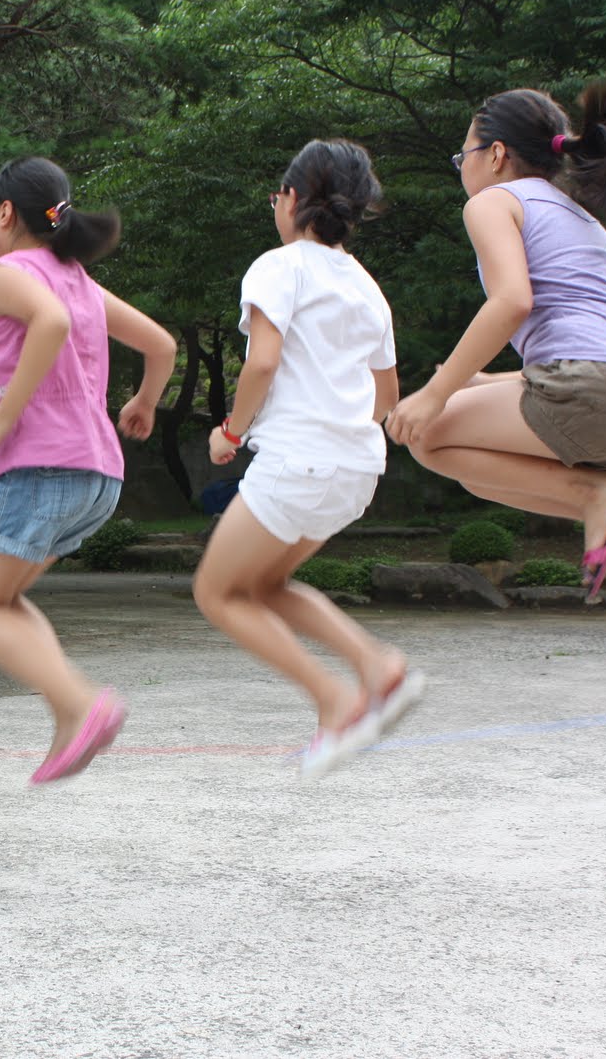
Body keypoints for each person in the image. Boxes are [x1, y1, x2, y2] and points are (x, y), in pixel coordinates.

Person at [385, 81, 606, 625]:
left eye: (463, 154)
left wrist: (435, 395)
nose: (462, 167)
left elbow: (511, 302)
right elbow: (592, 344)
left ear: (495, 154)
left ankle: (603, 497)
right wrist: (486, 382)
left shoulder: (493, 202)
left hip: (604, 391)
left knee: (428, 436)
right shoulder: (576, 214)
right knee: (480, 473)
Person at [194, 139, 423, 779]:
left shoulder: (280, 266)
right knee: (264, 587)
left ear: (292, 198)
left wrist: (232, 432)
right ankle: (377, 666)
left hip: (298, 463)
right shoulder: (366, 288)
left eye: (277, 196)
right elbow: (386, 396)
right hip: (357, 470)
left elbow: (263, 362)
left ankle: (335, 700)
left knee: (217, 592)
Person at [0, 156, 177, 785]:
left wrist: (3, 415)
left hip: (39, 467)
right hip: (98, 475)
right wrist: (145, 402)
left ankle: (79, 703)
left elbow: (48, 322)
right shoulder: (77, 279)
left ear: (4, 212)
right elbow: (161, 345)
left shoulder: (3, 275)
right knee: (3, 599)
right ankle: (71, 714)